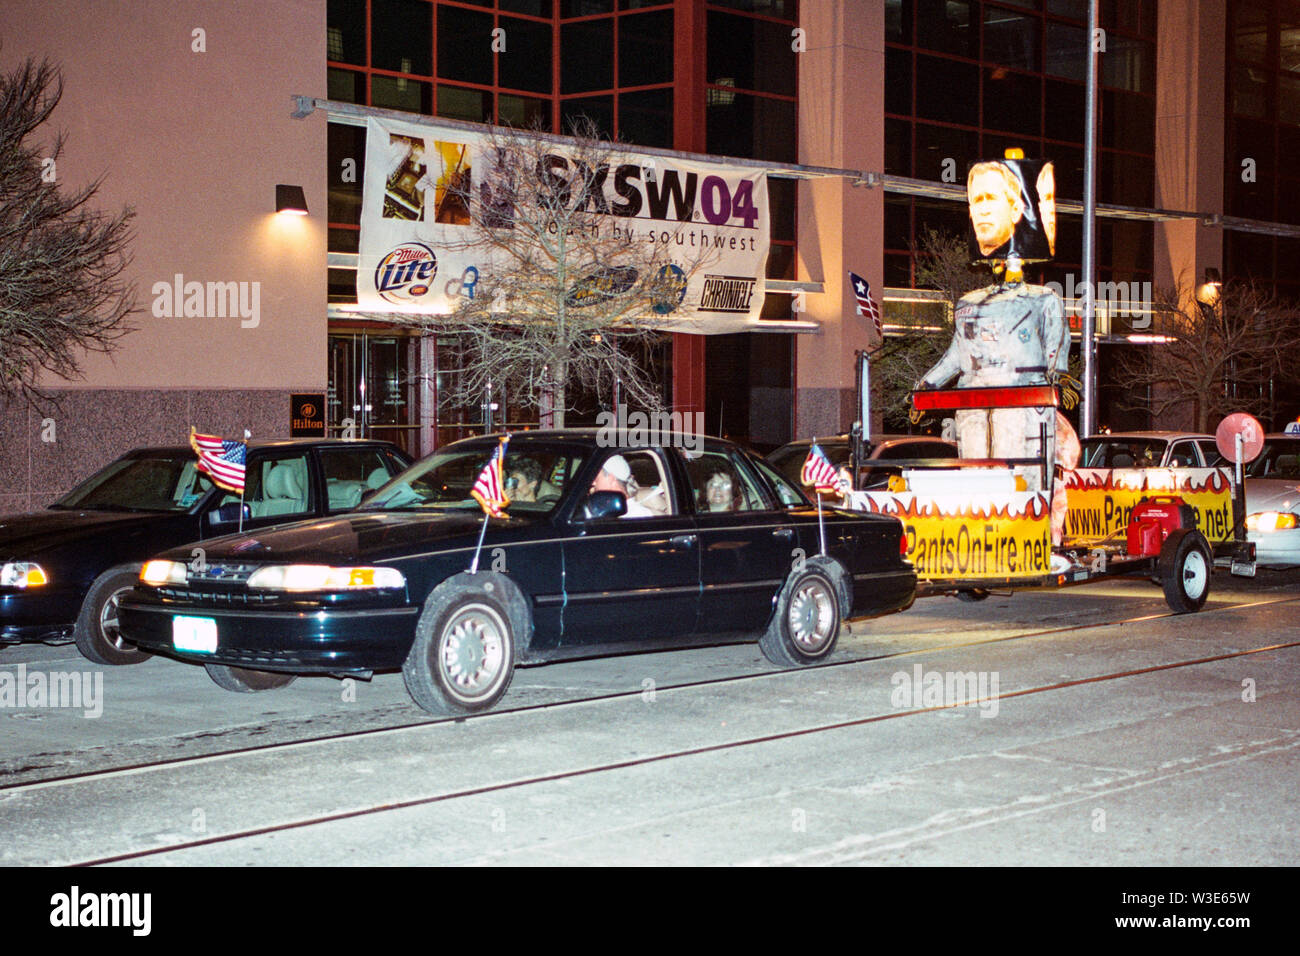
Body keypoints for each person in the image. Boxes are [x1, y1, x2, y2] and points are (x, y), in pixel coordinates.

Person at [967, 161, 1026, 257]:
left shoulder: (1023, 257)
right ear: (970, 211)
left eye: (991, 198)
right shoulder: (968, 255)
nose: (984, 211)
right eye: (978, 200)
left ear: (1015, 210)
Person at [590, 454, 654, 517]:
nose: (593, 483)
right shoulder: (611, 511)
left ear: (611, 479)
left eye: (596, 478)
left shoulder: (636, 515)